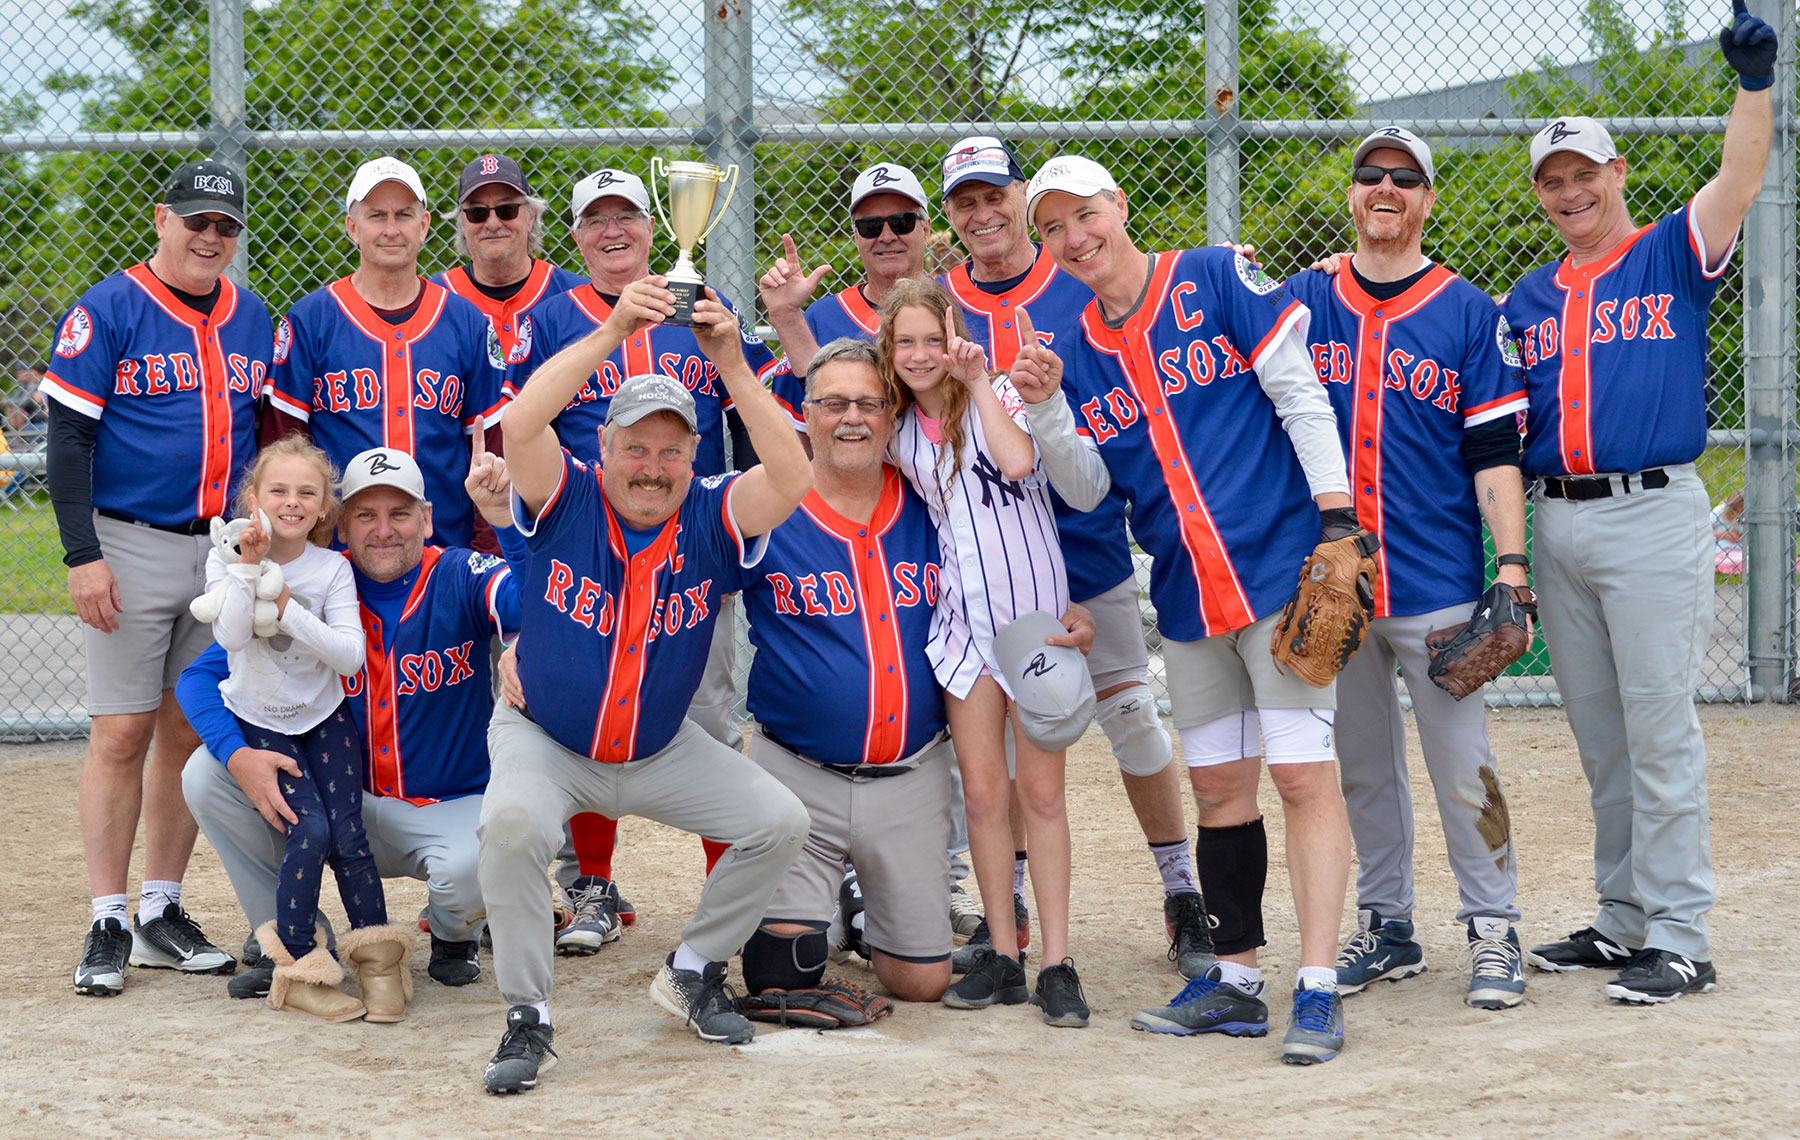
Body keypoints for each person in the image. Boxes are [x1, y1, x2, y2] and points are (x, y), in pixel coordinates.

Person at [1017, 154, 1358, 1064]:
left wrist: (1338, 522)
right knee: (1217, 788)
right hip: (1190, 595)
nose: (1073, 237)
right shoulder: (1077, 344)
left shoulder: (1210, 274)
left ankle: (1317, 986)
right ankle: (1237, 982)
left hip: (1282, 573)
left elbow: (1297, 391)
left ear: (1119, 205)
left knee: (1301, 778)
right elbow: (1088, 490)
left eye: (1084, 214)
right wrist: (1047, 410)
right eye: (1051, 227)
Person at [477, 280, 812, 1094]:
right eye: (635, 446)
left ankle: (693, 969)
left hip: (660, 750)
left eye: (671, 450)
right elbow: (519, 423)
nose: (651, 467)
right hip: (549, 740)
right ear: (605, 447)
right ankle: (529, 1014)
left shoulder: (711, 510)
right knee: (514, 823)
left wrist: (732, 363)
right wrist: (614, 329)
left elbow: (794, 474)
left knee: (777, 820)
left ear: (694, 457)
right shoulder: (569, 495)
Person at [1506, 0, 1777, 1005]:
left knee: (1661, 731)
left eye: (1585, 172)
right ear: (1542, 195)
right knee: (1601, 735)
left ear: (1618, 174)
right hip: (1560, 519)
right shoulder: (1527, 300)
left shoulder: (1669, 251)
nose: (1571, 190)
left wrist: (1755, 87)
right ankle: (1623, 920)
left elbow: (1739, 179)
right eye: (1554, 179)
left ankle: (1681, 935)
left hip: (1654, 514)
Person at [938, 136, 1209, 980]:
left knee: (1132, 720)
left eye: (996, 194)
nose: (983, 213)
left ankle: (1183, 893)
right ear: (949, 215)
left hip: (1083, 546)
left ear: (1024, 199)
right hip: (990, 566)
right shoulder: (936, 304)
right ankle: (1009, 907)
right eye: (964, 200)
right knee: (1011, 752)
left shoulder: (1078, 279)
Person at [1283, 127, 1533, 1010]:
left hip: (1436, 578)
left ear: (1428, 200)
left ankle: (1495, 930)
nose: (1384, 187)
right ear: (1351, 194)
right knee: (1359, 765)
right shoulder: (1302, 298)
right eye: (1369, 175)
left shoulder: (1469, 312)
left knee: (1463, 764)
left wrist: (1509, 565)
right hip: (1334, 585)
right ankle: (1387, 928)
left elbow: (1496, 449)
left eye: (1404, 178)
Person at [503, 167, 780, 939]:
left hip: (691, 550)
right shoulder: (553, 319)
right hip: (586, 557)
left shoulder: (700, 307)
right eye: (596, 220)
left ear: (656, 229)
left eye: (627, 216)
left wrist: (728, 532)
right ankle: (592, 886)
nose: (613, 231)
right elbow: (518, 435)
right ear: (577, 236)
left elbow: (759, 417)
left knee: (711, 719)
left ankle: (729, 899)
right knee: (582, 723)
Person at [42, 159, 268, 995]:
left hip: (218, 546)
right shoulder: (111, 306)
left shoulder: (252, 317)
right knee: (121, 733)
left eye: (225, 227)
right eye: (195, 221)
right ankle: (106, 914)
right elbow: (68, 442)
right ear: (162, 220)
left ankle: (159, 911)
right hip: (128, 542)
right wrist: (81, 555)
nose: (210, 237)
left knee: (185, 730)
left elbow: (265, 431)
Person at [179, 445, 519, 999]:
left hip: (445, 807)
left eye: (400, 513)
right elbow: (198, 679)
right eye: (366, 515)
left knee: (475, 865)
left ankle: (455, 932)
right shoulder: (320, 586)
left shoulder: (458, 573)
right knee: (206, 772)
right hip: (340, 801)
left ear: (427, 519)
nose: (384, 530)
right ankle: (293, 940)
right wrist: (239, 756)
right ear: (341, 523)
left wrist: (505, 526)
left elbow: (535, 596)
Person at [873, 277, 1088, 1026]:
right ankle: (1004, 956)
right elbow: (817, 381)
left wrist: (976, 381)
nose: (922, 354)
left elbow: (1021, 463)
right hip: (963, 630)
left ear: (956, 335)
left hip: (1032, 625)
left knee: (1042, 797)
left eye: (934, 337)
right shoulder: (897, 430)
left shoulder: (999, 391)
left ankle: (1058, 963)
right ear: (889, 351)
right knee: (985, 798)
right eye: (906, 342)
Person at [195, 436, 415, 1022]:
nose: (292, 502)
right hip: (261, 719)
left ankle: (377, 963)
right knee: (309, 828)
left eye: (307, 493)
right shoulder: (227, 556)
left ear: (325, 509)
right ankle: (298, 965)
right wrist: (248, 569)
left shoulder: (332, 568)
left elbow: (348, 656)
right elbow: (231, 637)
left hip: (322, 718)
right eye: (278, 490)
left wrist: (290, 605)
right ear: (254, 498)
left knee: (348, 836)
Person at [265, 156, 508, 549]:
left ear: (424, 225)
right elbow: (280, 447)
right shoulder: (311, 319)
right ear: (352, 227)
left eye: (405, 215)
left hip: (443, 550)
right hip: (333, 556)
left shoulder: (467, 322)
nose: (392, 229)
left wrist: (484, 554)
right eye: (377, 215)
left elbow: (493, 449)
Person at [760, 161, 933, 398]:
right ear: (855, 236)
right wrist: (786, 315)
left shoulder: (955, 301)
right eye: (870, 226)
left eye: (902, 222)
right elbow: (794, 424)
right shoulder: (822, 317)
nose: (887, 236)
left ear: (925, 230)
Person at [431, 154, 587, 363]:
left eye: (507, 210)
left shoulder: (575, 296)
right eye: (477, 212)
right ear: (462, 222)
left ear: (531, 216)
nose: (493, 224)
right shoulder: (435, 299)